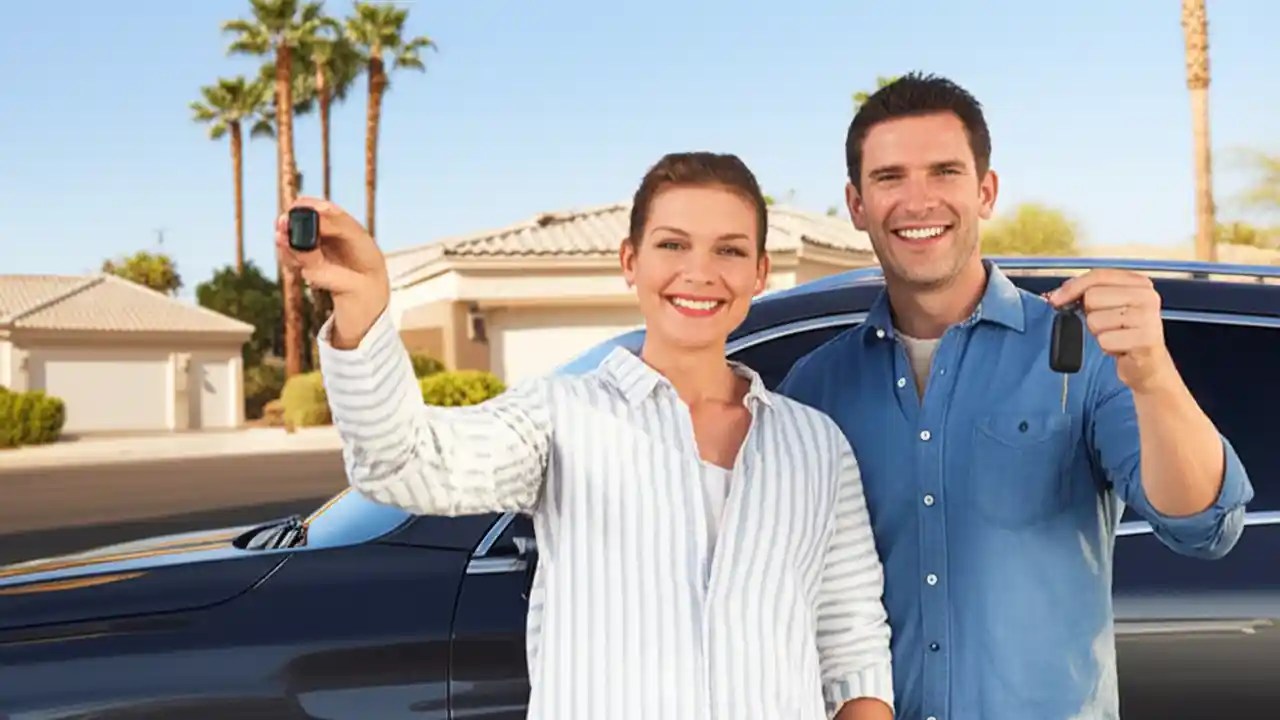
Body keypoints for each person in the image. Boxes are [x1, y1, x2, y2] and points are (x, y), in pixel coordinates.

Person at [277, 151, 896, 720]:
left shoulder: (816, 444)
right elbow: (403, 462)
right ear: (632, 261)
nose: (699, 272)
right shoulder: (561, 414)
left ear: (760, 272)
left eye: (729, 251)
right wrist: (363, 306)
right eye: (673, 244)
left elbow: (853, 644)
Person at [777, 72, 1255, 720]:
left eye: (944, 171)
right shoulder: (812, 389)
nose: (918, 201)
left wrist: (1151, 372)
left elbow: (1204, 524)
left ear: (985, 191)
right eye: (890, 177)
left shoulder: (1082, 352)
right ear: (856, 203)